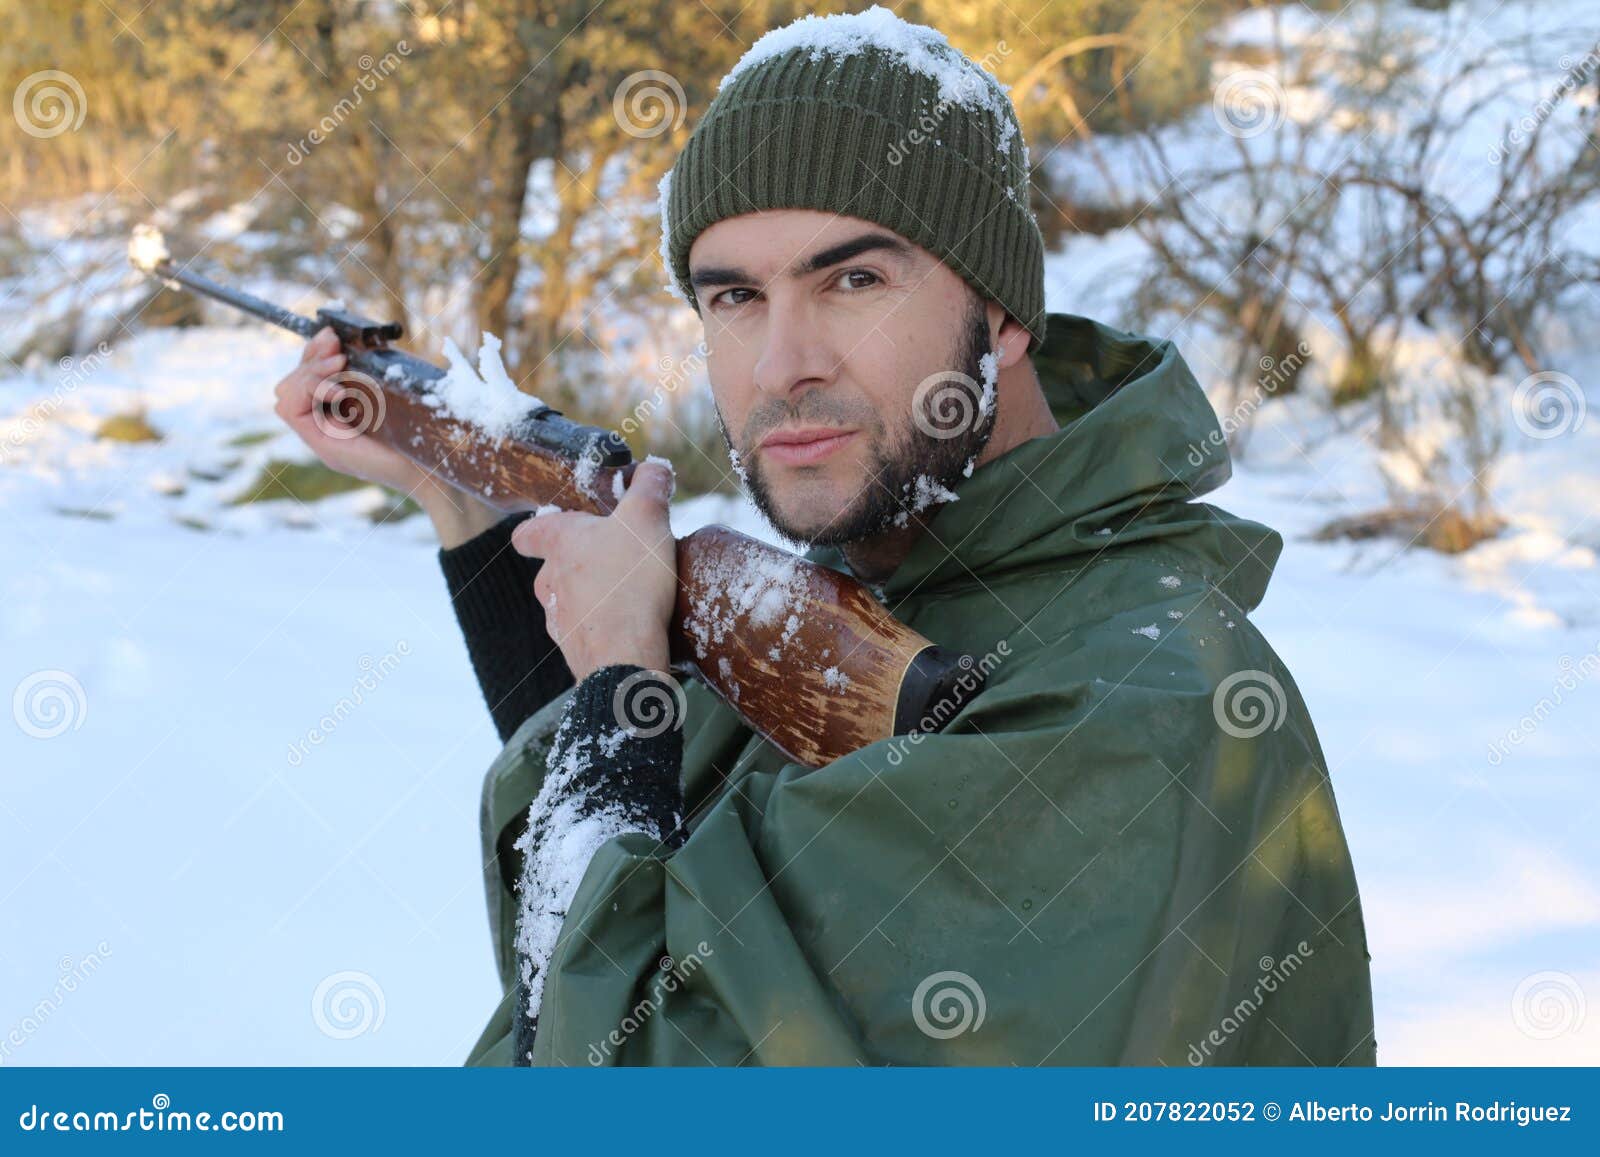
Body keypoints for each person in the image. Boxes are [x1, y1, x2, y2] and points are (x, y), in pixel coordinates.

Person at [272, 7, 1375, 1067]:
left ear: (1000, 311)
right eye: (734, 297)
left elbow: (630, 1066)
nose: (780, 363)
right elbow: (658, 859)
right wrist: (463, 504)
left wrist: (622, 679)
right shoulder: (887, 586)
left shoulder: (1136, 705)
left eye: (853, 279)